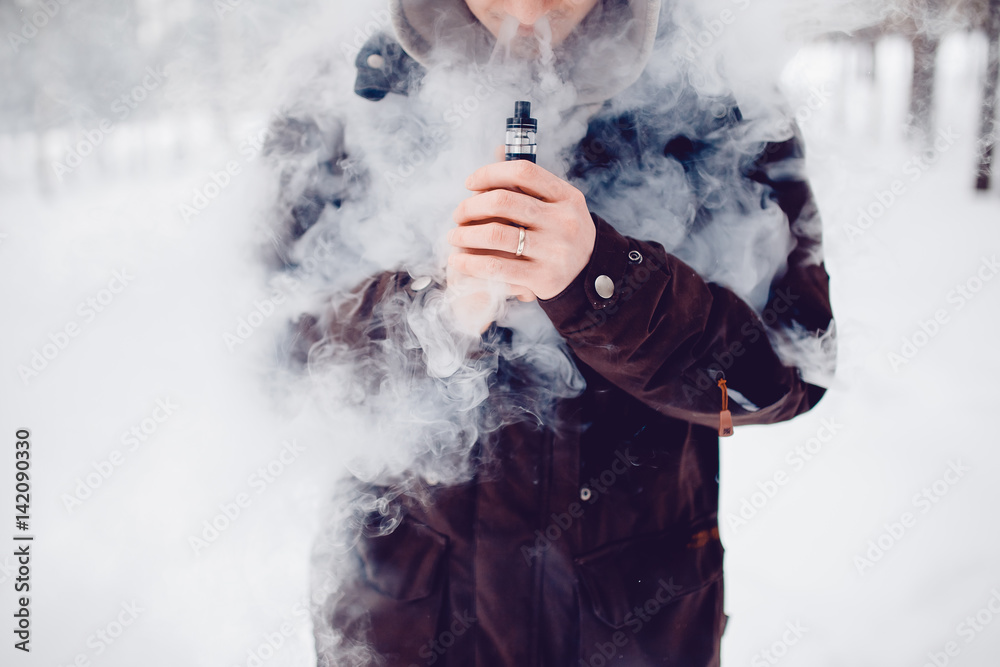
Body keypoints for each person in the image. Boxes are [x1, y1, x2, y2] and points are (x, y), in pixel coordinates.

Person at [265, 0, 837, 665]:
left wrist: (608, 285)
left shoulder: (720, 82)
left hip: (634, 625)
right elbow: (271, 355)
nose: (531, 6)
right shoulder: (338, 85)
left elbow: (789, 371)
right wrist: (430, 310)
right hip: (405, 623)